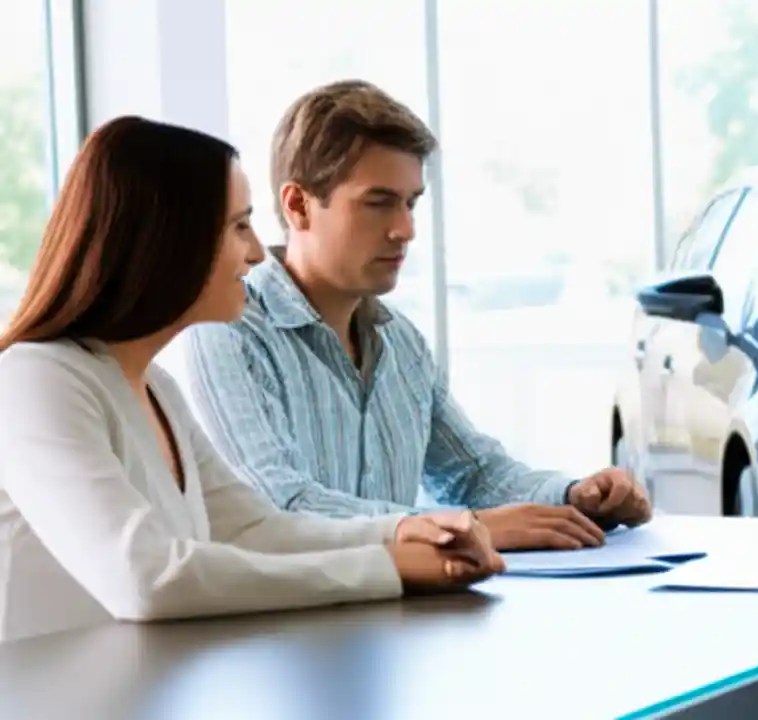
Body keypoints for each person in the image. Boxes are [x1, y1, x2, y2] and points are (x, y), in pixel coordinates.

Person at [0, 116, 505, 644]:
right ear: (169, 240)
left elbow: (252, 531)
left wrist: (397, 532)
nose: (259, 252)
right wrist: (388, 569)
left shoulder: (156, 390)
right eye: (239, 226)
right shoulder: (37, 381)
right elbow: (147, 579)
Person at [179, 80, 650, 551]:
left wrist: (576, 496)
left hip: (395, 615)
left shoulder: (400, 342)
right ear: (299, 205)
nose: (405, 230)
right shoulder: (230, 330)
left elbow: (473, 474)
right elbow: (279, 507)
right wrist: (469, 526)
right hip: (280, 621)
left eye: (410, 203)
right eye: (378, 203)